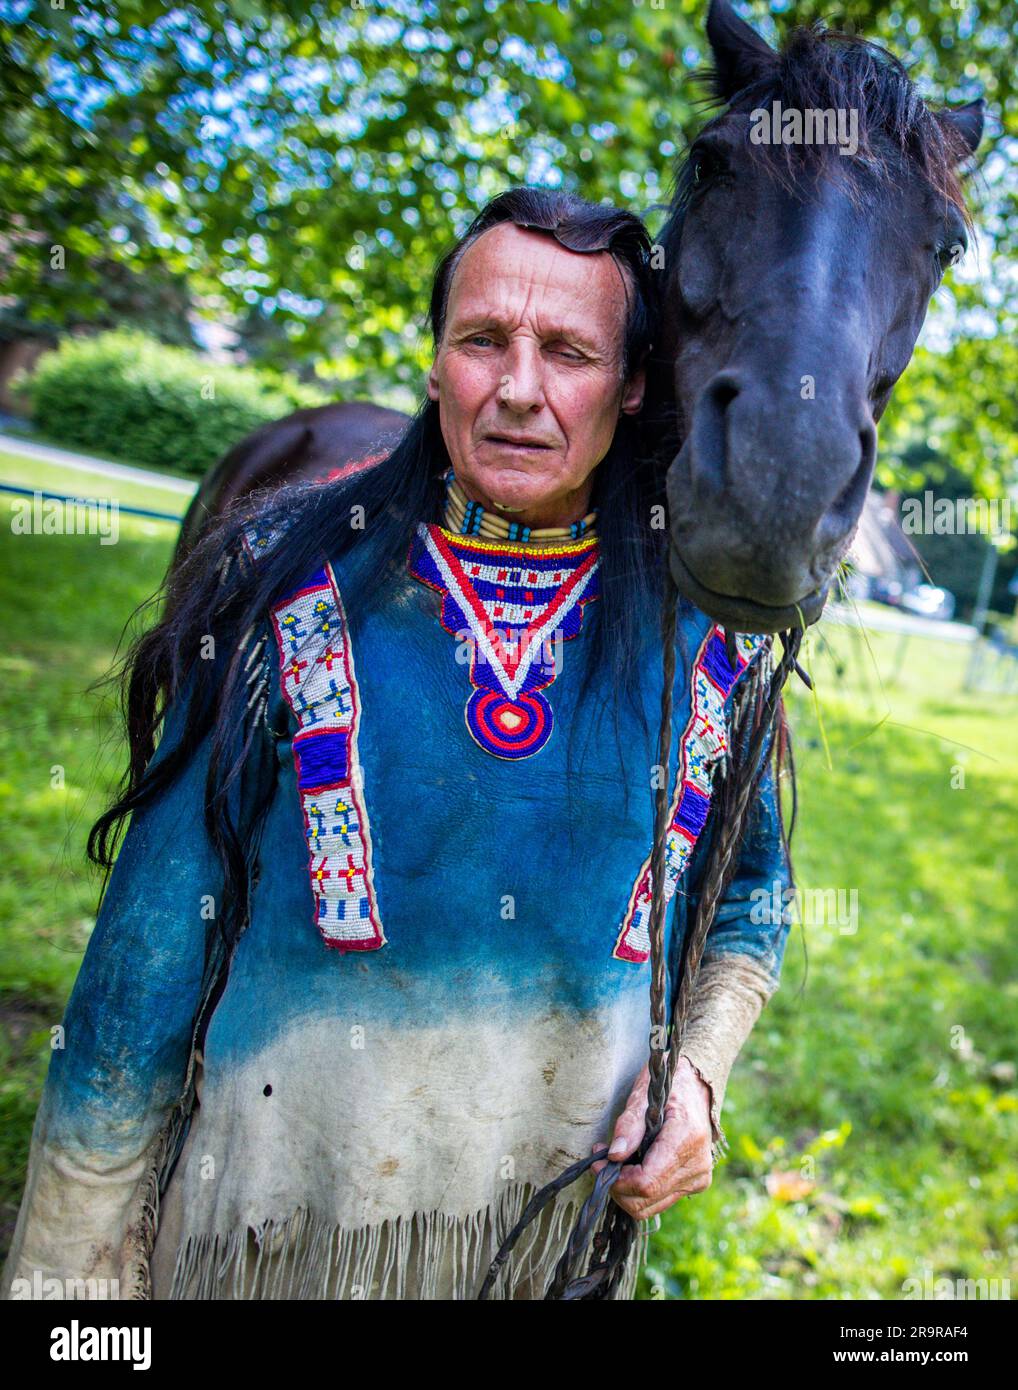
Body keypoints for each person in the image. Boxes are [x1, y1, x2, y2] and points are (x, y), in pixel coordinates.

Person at [2, 187, 792, 1301]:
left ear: (632, 383)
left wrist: (699, 1076)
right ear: (433, 365)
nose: (517, 389)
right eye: (481, 340)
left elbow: (753, 895)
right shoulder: (281, 580)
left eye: (566, 350)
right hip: (263, 1246)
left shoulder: (711, 637)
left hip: (551, 1258)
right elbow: (141, 968)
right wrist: (65, 1294)